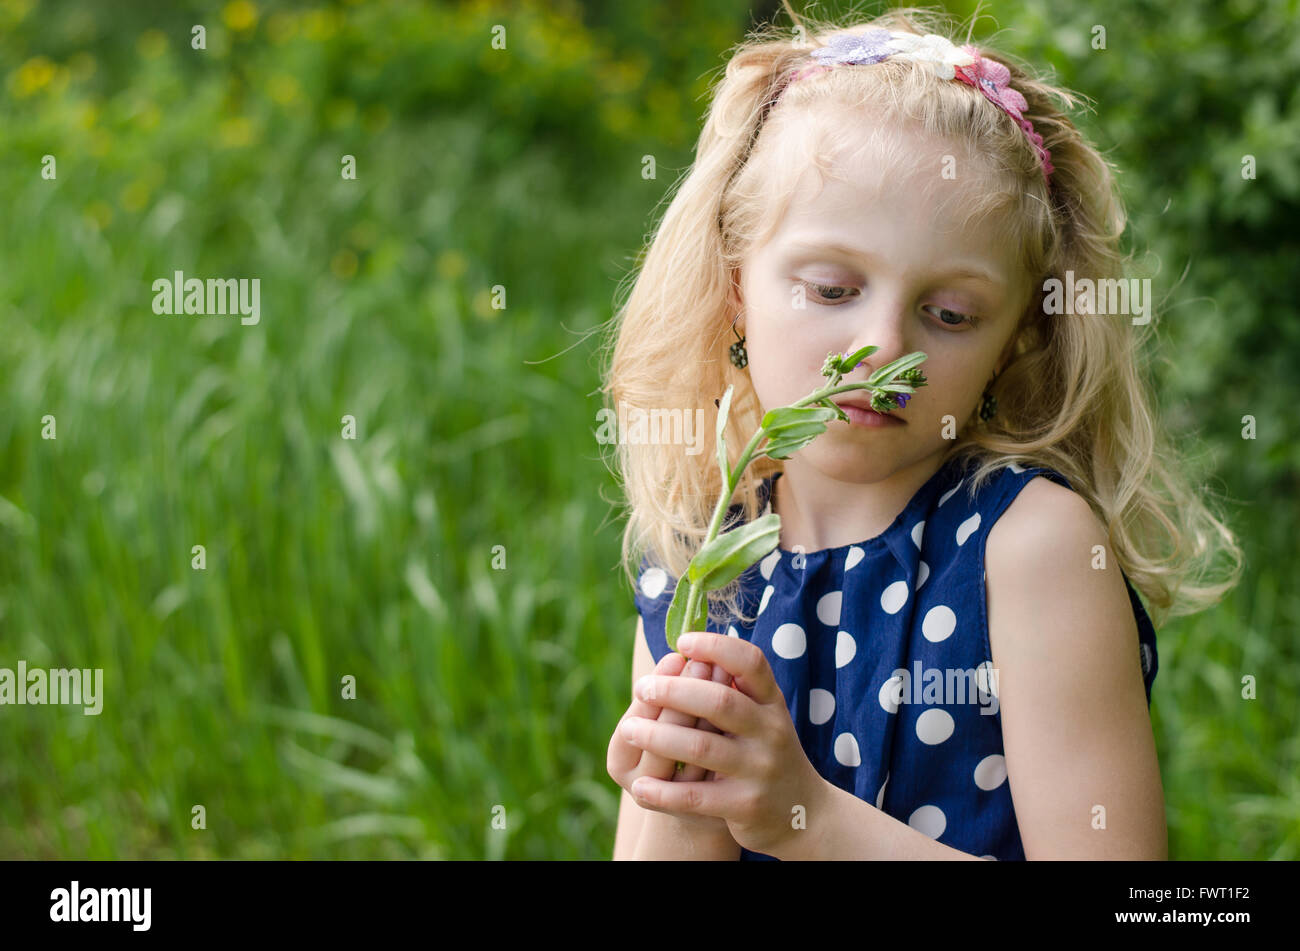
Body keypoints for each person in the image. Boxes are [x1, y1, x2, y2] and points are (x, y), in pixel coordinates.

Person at [603, 5, 1242, 860]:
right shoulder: (701, 553)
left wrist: (814, 820)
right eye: (832, 289)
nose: (883, 348)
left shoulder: (1025, 547)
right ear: (734, 290)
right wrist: (678, 797)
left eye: (948, 313)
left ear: (1016, 338)